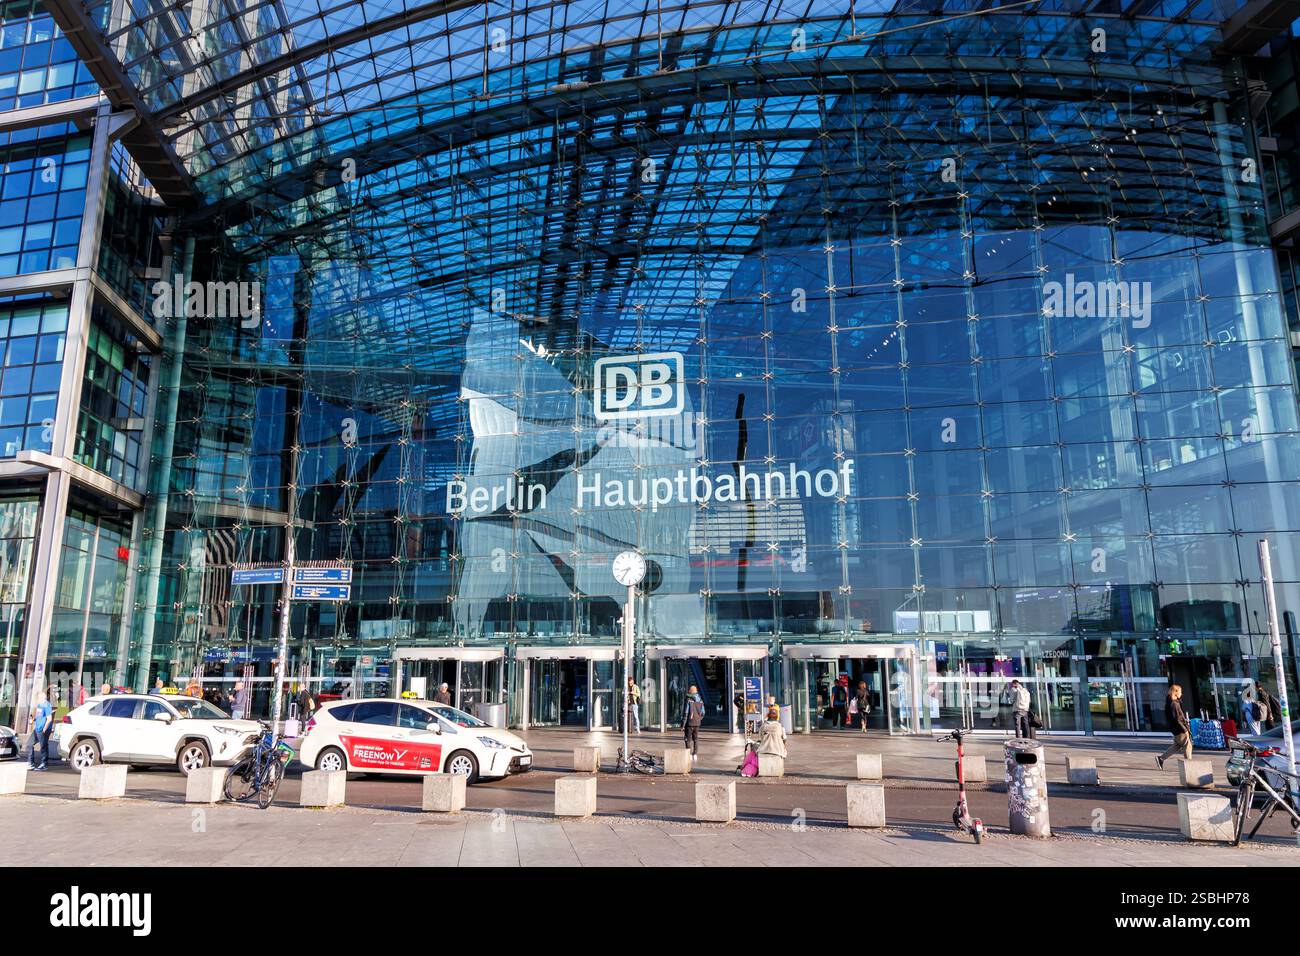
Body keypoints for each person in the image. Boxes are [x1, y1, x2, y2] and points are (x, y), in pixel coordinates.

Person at [1157, 683, 1192, 769]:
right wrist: (1185, 730)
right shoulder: (1174, 704)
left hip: (1175, 729)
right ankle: (1189, 765)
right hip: (1179, 729)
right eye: (1180, 692)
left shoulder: (1171, 702)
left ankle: (1161, 758)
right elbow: (1177, 718)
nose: (1181, 693)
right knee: (1187, 745)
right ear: (1176, 692)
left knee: (1177, 745)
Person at [27, 691, 52, 771]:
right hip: (37, 728)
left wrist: (45, 728)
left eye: (38, 698)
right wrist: (33, 719)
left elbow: (49, 719)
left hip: (43, 729)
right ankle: (30, 763)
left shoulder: (47, 705)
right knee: (29, 744)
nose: (37, 699)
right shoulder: (39, 705)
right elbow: (39, 716)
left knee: (43, 746)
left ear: (42, 697)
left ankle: (44, 764)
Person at [681, 684, 704, 761]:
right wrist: (699, 719)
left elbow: (686, 712)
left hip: (689, 723)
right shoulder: (700, 700)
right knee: (696, 739)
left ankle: (689, 754)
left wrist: (683, 725)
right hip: (697, 723)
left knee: (687, 739)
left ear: (690, 691)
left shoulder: (688, 699)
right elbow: (703, 712)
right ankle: (695, 754)